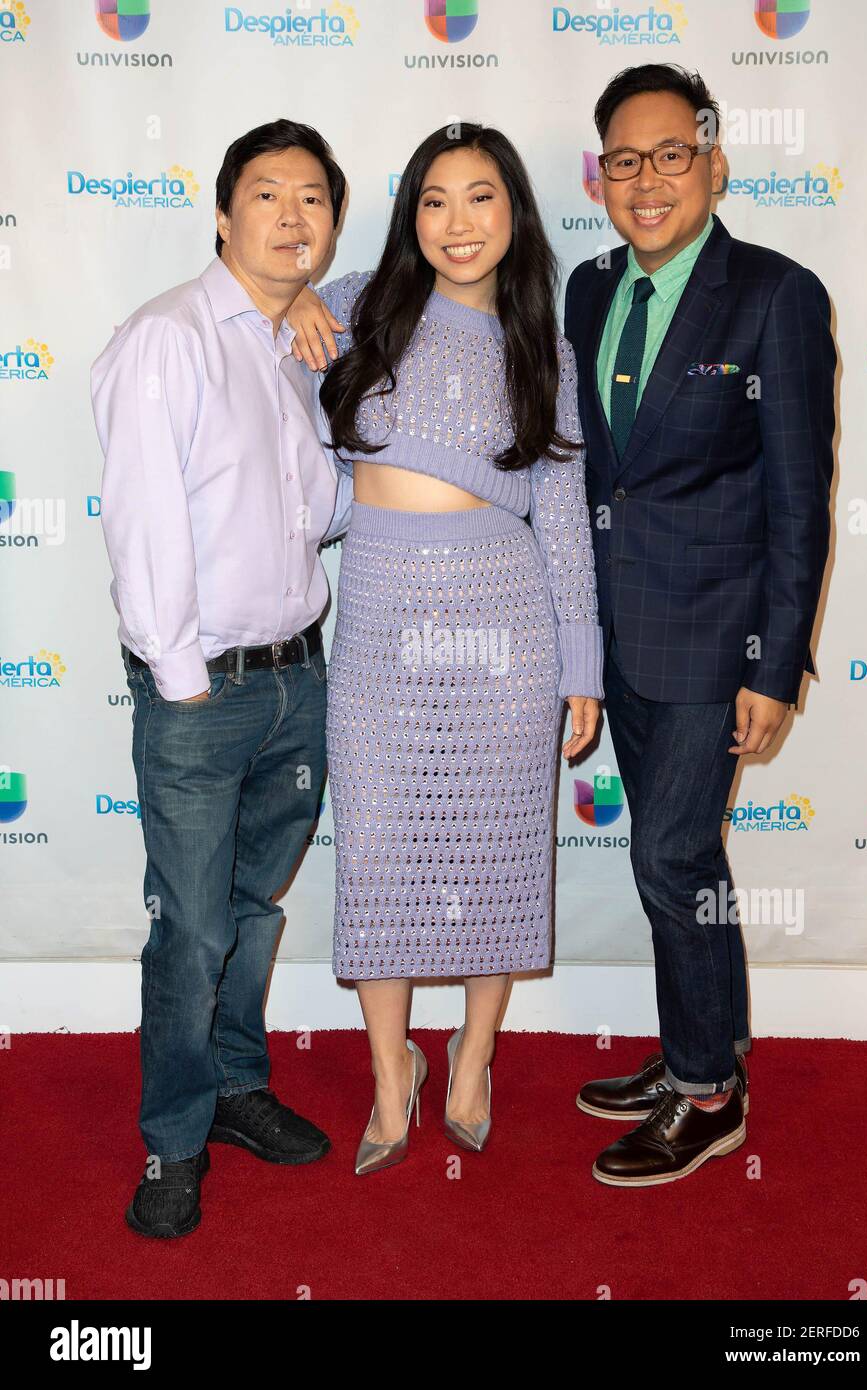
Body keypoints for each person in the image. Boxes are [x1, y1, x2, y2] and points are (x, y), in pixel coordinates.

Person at [288, 123, 603, 1174]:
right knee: (377, 851)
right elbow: (278, 414)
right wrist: (291, 299)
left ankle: (471, 1055)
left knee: (498, 850)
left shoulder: (542, 346)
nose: (456, 222)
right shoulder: (355, 306)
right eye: (433, 199)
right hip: (379, 614)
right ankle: (392, 1074)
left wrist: (579, 668)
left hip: (503, 626)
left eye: (479, 197)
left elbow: (560, 516)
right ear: (408, 214)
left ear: (513, 212)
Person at [565, 64, 835, 1186]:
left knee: (672, 854)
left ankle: (708, 1097)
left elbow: (795, 497)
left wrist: (773, 665)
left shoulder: (775, 294)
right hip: (612, 635)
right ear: (600, 177)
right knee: (688, 857)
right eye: (623, 161)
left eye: (670, 155)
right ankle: (702, 1049)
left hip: (712, 639)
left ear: (713, 164)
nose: (646, 180)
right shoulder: (588, 289)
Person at [91, 119, 350, 1237]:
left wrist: (323, 362)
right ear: (221, 210)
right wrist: (185, 682)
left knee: (250, 906)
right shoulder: (169, 337)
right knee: (192, 928)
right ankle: (174, 1140)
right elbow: (144, 523)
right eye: (266, 194)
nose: (291, 218)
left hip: (300, 681)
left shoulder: (294, 344)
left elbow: (324, 510)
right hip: (205, 692)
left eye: (313, 199)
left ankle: (238, 1084)